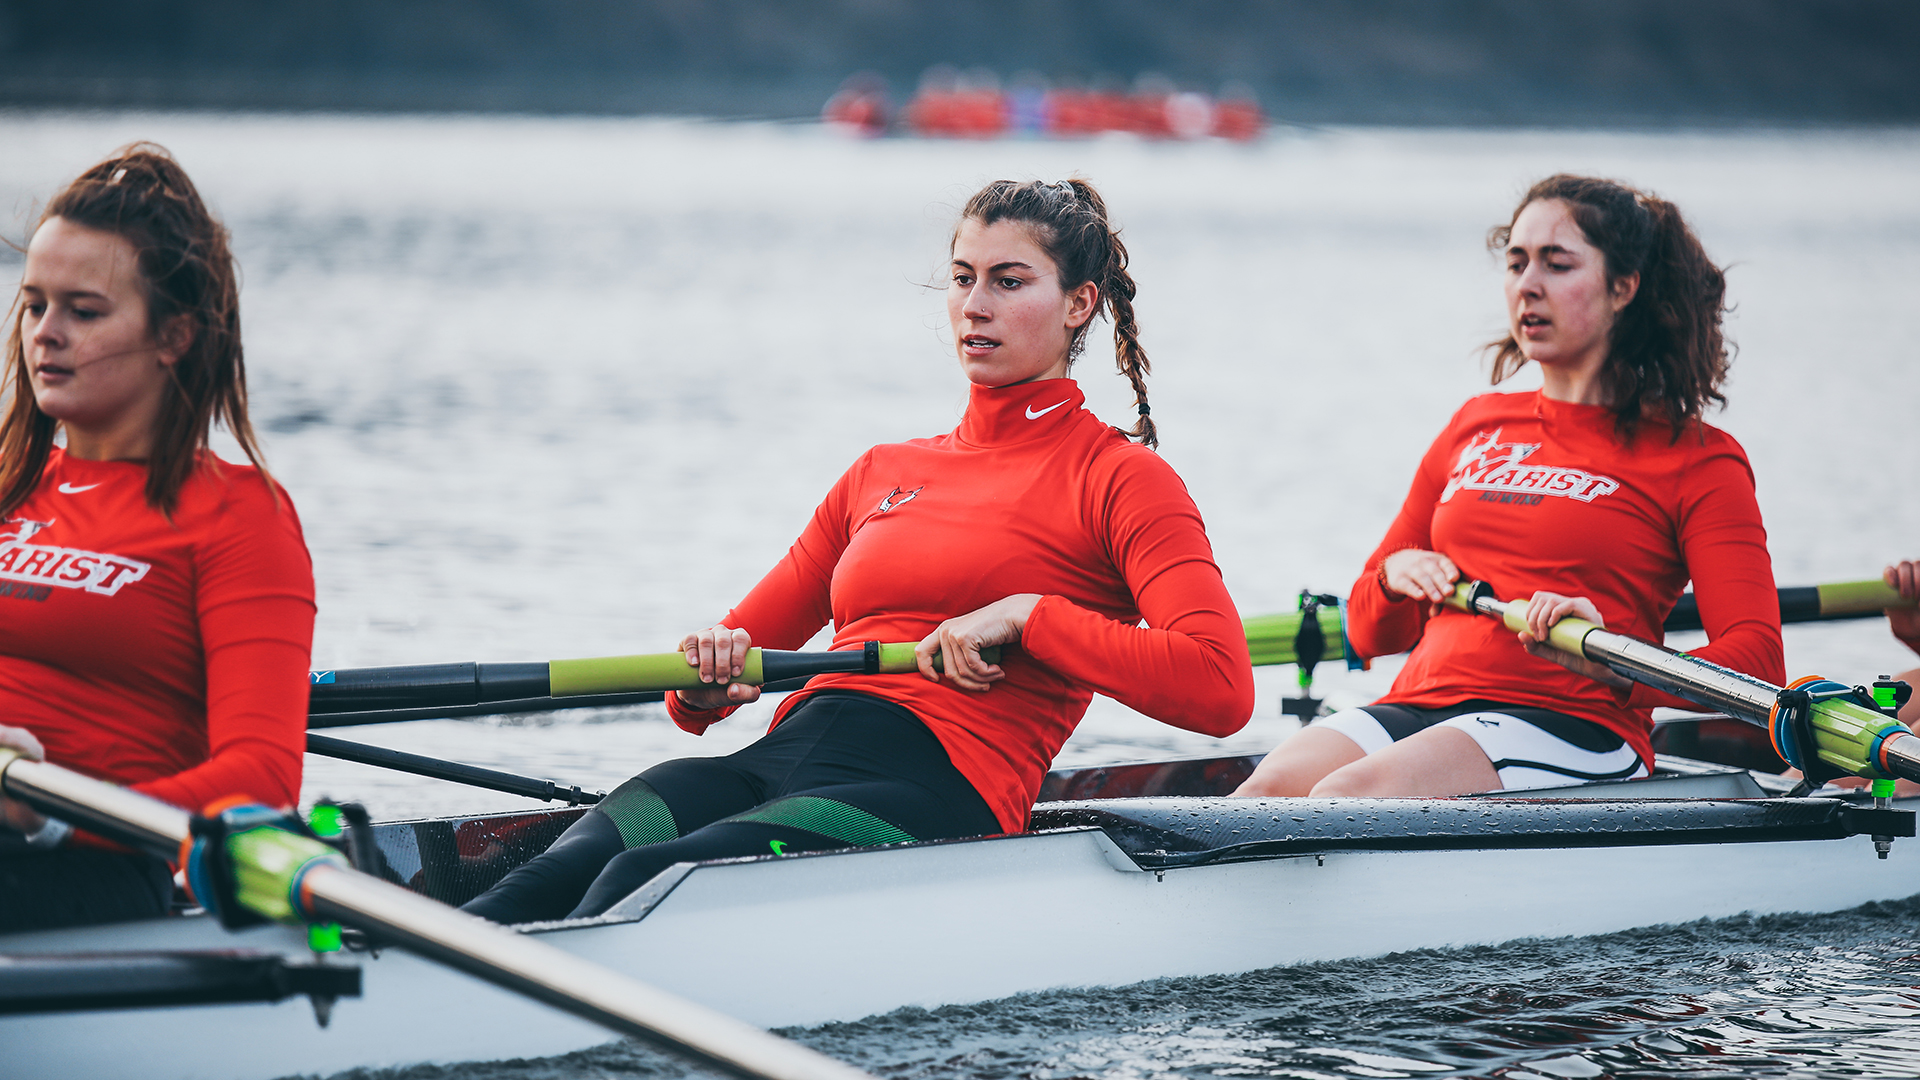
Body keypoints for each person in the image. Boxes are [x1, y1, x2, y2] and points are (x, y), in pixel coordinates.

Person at [465, 178, 1254, 923]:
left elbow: (1220, 689)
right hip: (783, 755)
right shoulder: (884, 471)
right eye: (961, 277)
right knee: (555, 873)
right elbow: (711, 681)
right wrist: (705, 679)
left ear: (1080, 303)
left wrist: (1029, 617)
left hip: (937, 786)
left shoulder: (1122, 480)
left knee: (644, 882)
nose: (974, 306)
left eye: (1009, 282)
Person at [1235, 174, 1784, 798]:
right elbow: (1369, 632)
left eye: (1557, 263)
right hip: (1421, 702)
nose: (1527, 284)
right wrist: (1395, 577)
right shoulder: (1476, 424)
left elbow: (1758, 664)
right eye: (1516, 262)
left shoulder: (1700, 460)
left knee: (1343, 797)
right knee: (1262, 796)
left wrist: (1612, 661)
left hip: (1573, 723)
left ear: (1623, 287)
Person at [0, 145, 315, 932]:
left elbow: (263, 777)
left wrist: (49, 816)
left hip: (86, 867)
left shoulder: (242, 517)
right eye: (34, 304)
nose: (47, 334)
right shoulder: (9, 486)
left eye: (84, 310)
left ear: (173, 335)